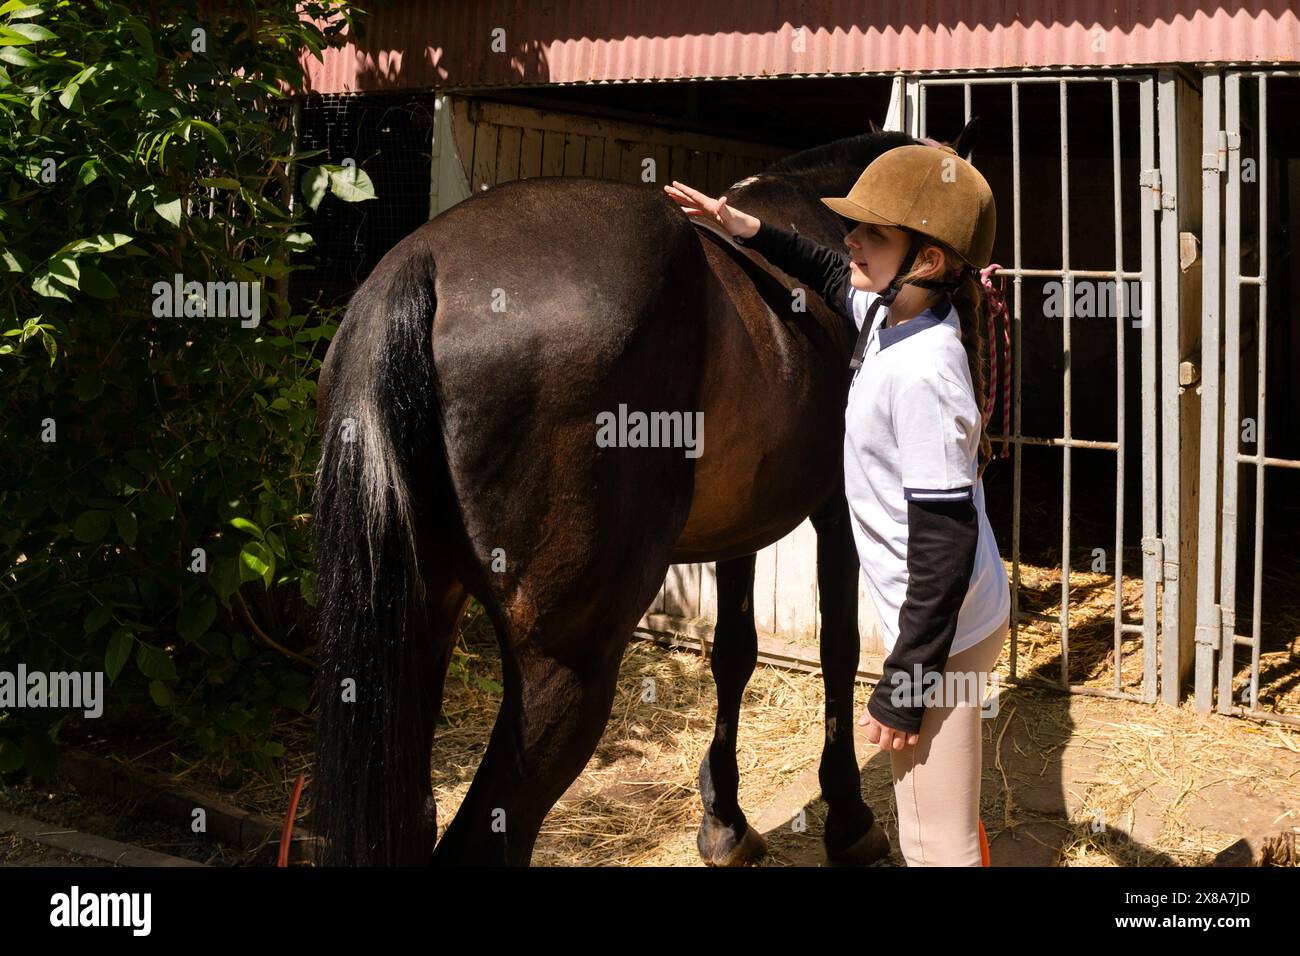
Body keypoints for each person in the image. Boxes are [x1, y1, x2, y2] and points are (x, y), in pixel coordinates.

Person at [665, 143, 1011, 866]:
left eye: (873, 234)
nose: (848, 239)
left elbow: (943, 547)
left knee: (931, 839)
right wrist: (741, 225)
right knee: (938, 820)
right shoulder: (893, 314)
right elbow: (823, 267)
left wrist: (905, 682)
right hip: (947, 624)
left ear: (927, 262)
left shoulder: (923, 374)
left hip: (942, 634)